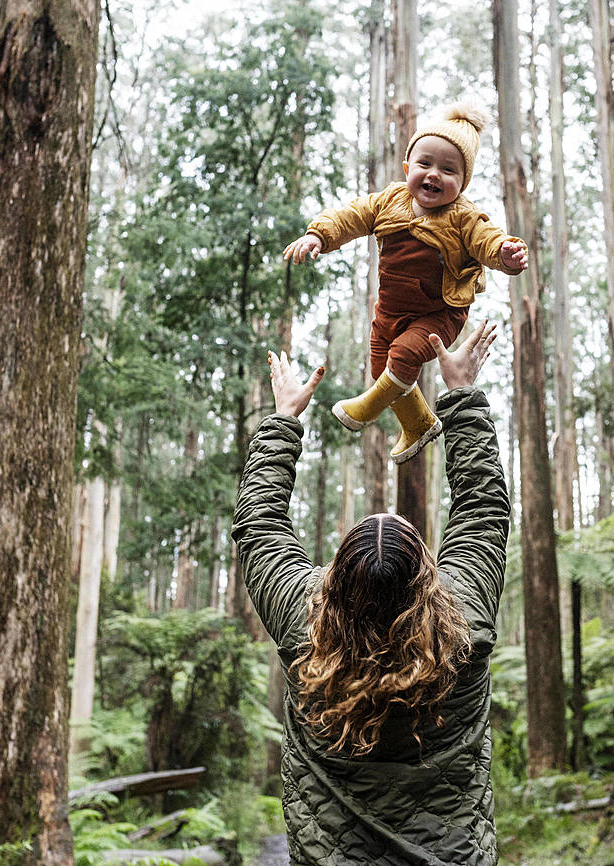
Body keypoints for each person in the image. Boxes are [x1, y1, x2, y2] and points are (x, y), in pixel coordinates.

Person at [232, 322, 509, 865]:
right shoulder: (463, 621)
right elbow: (482, 511)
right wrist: (461, 396)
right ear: (428, 576)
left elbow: (259, 526)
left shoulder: (303, 622)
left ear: (334, 580)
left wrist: (285, 419)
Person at [283, 103, 529, 464]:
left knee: (404, 356)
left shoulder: (463, 215)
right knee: (381, 366)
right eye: (425, 164)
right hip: (390, 310)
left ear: (462, 183)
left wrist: (505, 254)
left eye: (448, 170)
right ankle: (418, 424)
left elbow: (487, 239)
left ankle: (367, 406)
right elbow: (351, 216)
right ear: (407, 168)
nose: (434, 175)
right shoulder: (390, 200)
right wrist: (319, 236)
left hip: (439, 313)